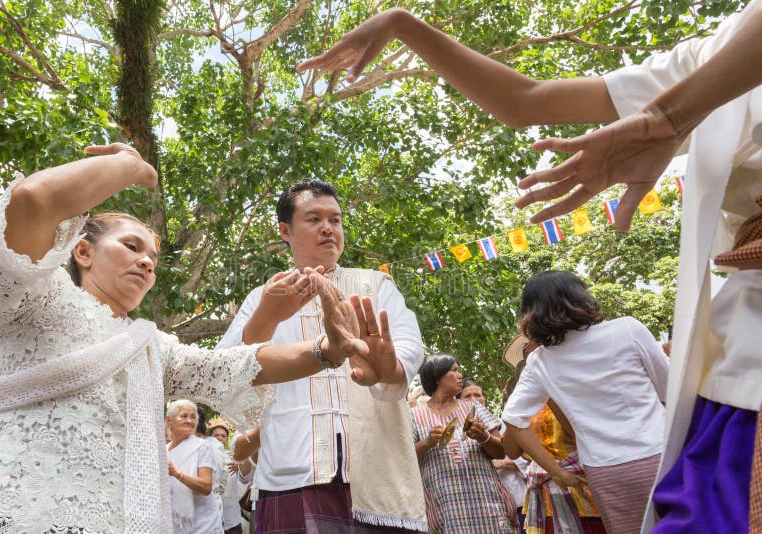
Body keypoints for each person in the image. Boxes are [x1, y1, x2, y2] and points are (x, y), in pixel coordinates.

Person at [298, 4, 762, 530]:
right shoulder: (702, 57)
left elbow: (517, 425)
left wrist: (668, 120)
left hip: (648, 443)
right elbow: (526, 101)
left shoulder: (553, 358)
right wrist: (405, 25)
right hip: (725, 381)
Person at [0, 143, 382, 533]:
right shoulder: (31, 301)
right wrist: (126, 164)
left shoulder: (149, 345)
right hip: (10, 511)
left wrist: (327, 350)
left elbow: (236, 365)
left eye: (153, 258)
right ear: (83, 252)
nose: (146, 261)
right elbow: (33, 201)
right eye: (131, 246)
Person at [217, 179, 427, 533]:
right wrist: (267, 316)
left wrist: (385, 366)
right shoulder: (262, 298)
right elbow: (223, 371)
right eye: (314, 219)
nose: (329, 228)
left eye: (336, 219)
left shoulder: (375, 285)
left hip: (376, 473)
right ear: (285, 230)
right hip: (293, 472)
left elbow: (407, 347)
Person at [501, 271, 668, 533]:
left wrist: (556, 471)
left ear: (531, 313)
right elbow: (669, 388)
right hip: (660, 452)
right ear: (580, 297)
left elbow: (513, 419)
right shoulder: (627, 328)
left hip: (605, 470)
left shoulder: (540, 361)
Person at [502, 335, 605, 534]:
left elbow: (580, 434)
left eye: (538, 350)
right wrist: (518, 403)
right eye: (527, 357)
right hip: (544, 498)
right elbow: (512, 451)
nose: (533, 359)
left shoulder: (575, 385)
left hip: (584, 494)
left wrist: (547, 389)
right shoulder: (522, 400)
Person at [412, 354, 518, 533]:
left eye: (459, 370)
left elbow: (501, 452)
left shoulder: (473, 409)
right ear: (437, 377)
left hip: (488, 504)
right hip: (446, 509)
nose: (460, 375)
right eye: (454, 370)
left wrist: (483, 437)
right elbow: (405, 459)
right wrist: (428, 442)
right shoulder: (414, 415)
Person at [459, 378, 529, 532]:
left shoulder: (505, 423)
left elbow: (525, 458)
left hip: (518, 502)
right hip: (483, 508)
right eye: (467, 397)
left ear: (484, 398)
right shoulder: (458, 436)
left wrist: (502, 463)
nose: (473, 400)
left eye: (477, 395)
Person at [166, 400, 222, 533]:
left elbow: (206, 486)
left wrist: (176, 473)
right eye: (184, 416)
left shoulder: (202, 447)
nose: (190, 421)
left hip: (204, 526)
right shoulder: (165, 451)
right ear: (169, 421)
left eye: (193, 417)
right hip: (177, 526)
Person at [209, 417, 247, 534]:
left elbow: (245, 478)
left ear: (227, 439)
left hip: (232, 518)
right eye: (216, 435)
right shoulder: (203, 456)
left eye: (223, 436)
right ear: (210, 437)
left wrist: (238, 467)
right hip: (211, 517)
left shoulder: (234, 457)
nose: (220, 438)